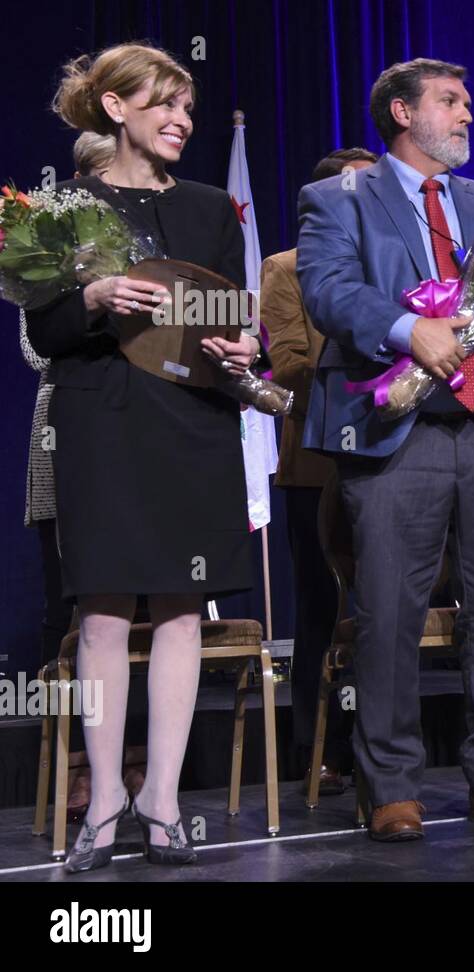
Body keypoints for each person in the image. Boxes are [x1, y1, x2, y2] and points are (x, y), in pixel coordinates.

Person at [297, 58, 474, 839]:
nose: (468, 115)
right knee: (389, 610)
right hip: (395, 432)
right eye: (450, 102)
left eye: (468, 103)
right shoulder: (336, 198)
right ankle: (390, 787)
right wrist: (405, 327)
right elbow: (328, 290)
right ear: (401, 113)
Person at [29, 42, 260, 872]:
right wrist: (92, 296)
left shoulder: (208, 207)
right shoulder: (64, 209)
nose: (181, 121)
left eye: (188, 109)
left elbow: (237, 322)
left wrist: (241, 347)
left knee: (178, 612)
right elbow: (43, 331)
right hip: (105, 420)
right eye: (163, 104)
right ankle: (104, 807)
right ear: (116, 109)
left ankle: (161, 803)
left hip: (193, 420)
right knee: (101, 615)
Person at [22, 131, 152, 821]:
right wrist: (93, 297)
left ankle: (138, 765)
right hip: (69, 434)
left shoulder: (157, 225)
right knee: (66, 614)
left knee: (154, 612)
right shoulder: (49, 244)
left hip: (153, 429)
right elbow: (33, 342)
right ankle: (76, 763)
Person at [261, 146, 377, 795]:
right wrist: (373, 358)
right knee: (318, 608)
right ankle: (313, 748)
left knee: (384, 605)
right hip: (315, 463)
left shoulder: (392, 263)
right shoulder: (286, 268)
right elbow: (287, 368)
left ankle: (376, 743)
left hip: (391, 454)